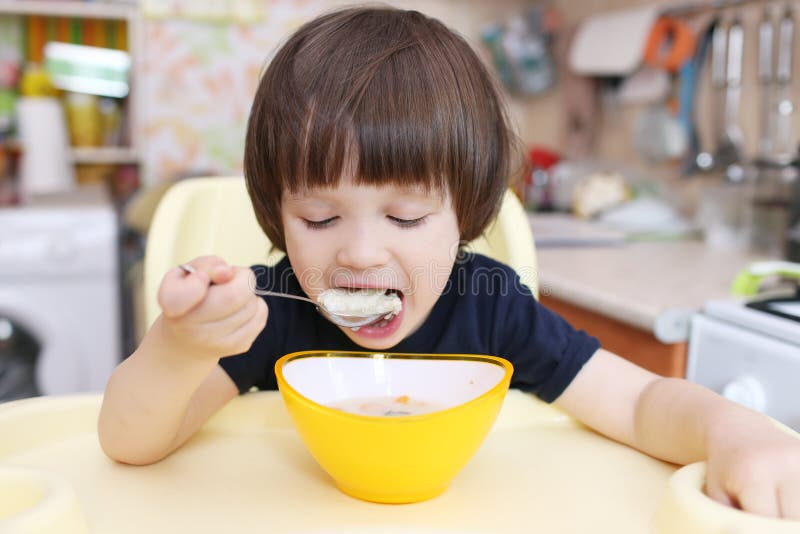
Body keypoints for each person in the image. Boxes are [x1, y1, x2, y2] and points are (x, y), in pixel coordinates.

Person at [99, 6, 800, 519]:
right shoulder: (270, 308)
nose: (362, 253)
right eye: (318, 218)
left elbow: (643, 403)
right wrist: (179, 347)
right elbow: (131, 447)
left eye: (405, 217)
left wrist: (736, 432)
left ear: (465, 214)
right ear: (276, 213)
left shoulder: (490, 304)